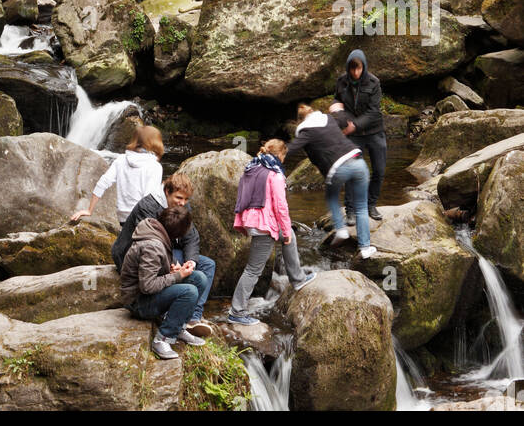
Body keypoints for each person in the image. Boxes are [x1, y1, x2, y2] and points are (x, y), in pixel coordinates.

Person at [110, 171, 215, 337]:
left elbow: (191, 237)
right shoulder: (148, 206)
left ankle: (193, 317)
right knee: (187, 283)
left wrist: (190, 262)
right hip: (133, 254)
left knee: (207, 265)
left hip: (164, 250)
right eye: (179, 198)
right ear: (167, 192)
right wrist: (174, 269)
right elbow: (148, 246)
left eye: (186, 200)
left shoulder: (181, 205)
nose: (183, 203)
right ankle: (173, 319)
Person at [227, 139, 316, 326]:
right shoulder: (274, 174)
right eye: (284, 157)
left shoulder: (251, 168)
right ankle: (236, 311)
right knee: (253, 270)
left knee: (288, 235)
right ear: (281, 154)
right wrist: (284, 227)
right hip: (264, 224)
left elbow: (241, 197)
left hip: (253, 221)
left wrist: (285, 230)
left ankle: (297, 278)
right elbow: (281, 206)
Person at [285, 102, 377, 259]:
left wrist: (273, 154)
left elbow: (291, 150)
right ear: (313, 112)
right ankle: (365, 248)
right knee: (361, 206)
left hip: (337, 169)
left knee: (332, 197)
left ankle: (341, 230)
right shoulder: (328, 118)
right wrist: (339, 110)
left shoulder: (305, 132)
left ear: (300, 121)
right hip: (358, 161)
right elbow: (344, 117)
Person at [120, 205, 210, 360]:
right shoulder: (152, 246)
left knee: (199, 278)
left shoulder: (158, 231)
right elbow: (147, 286)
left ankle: (178, 326)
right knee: (189, 291)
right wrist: (177, 276)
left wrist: (172, 270)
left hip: (147, 294)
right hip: (138, 302)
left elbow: (155, 270)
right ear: (177, 233)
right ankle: (162, 339)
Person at [333, 47, 387, 223]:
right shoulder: (342, 82)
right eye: (352, 69)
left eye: (359, 68)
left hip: (374, 132)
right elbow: (338, 101)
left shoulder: (374, 82)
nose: (356, 73)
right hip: (353, 135)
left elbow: (373, 112)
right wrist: (337, 110)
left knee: (378, 170)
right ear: (348, 68)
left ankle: (371, 205)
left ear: (364, 67)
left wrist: (354, 125)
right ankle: (350, 210)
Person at [71, 125, 164, 226]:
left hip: (123, 217)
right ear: (156, 142)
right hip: (142, 218)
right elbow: (150, 198)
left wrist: (89, 210)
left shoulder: (121, 159)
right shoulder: (155, 166)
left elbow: (103, 182)